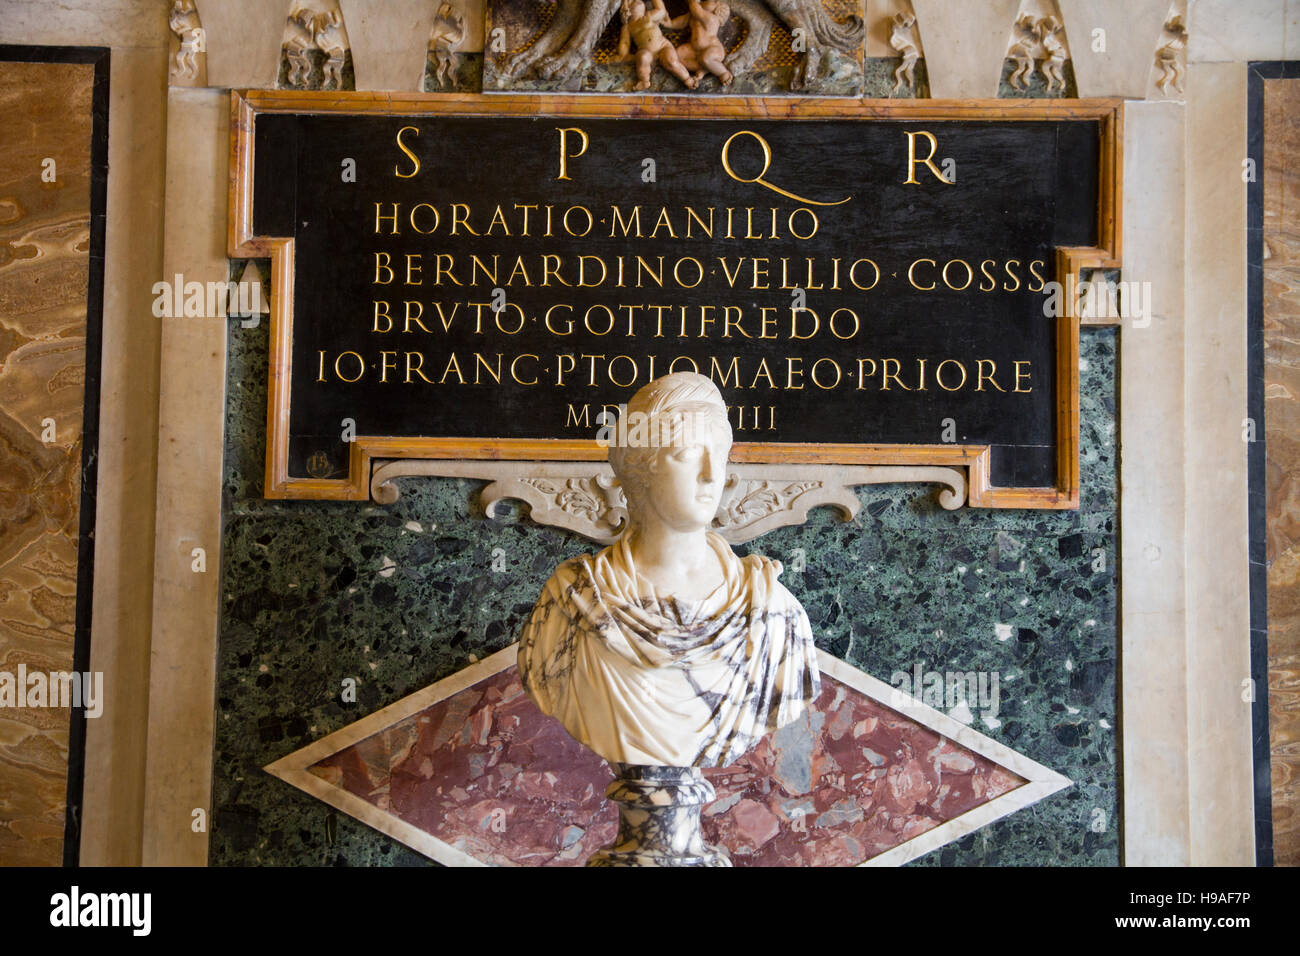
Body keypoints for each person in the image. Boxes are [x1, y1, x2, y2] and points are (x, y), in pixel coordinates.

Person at [517, 372, 821, 769]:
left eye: (720, 454)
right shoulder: (572, 602)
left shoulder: (774, 612)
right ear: (641, 469)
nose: (713, 474)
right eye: (688, 454)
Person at [618, 0, 698, 91]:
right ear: (627, 9)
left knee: (671, 61)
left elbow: (661, 11)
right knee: (643, 56)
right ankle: (644, 80)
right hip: (647, 51)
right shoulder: (627, 27)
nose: (638, 1)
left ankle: (687, 79)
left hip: (662, 46)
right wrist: (623, 55)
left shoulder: (648, 16)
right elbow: (625, 42)